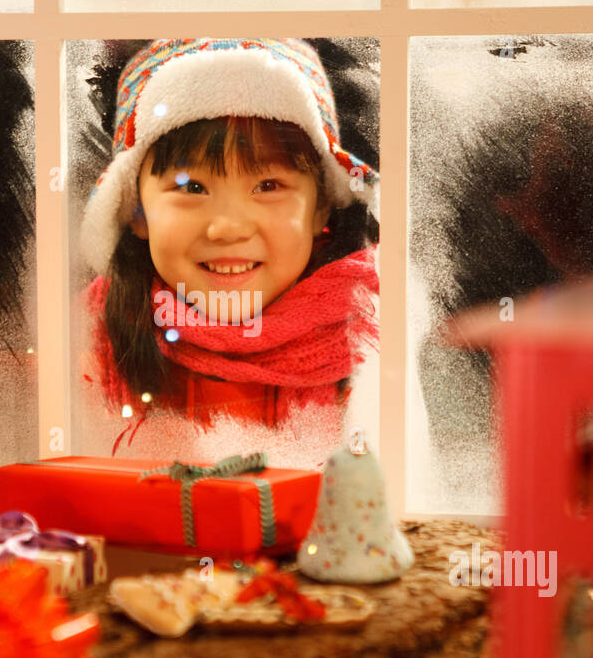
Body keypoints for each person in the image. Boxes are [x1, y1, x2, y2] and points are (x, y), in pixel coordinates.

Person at [79, 38, 380, 461]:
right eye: (192, 187)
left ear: (320, 209)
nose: (227, 228)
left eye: (268, 186)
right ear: (137, 212)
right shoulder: (87, 342)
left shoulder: (372, 337)